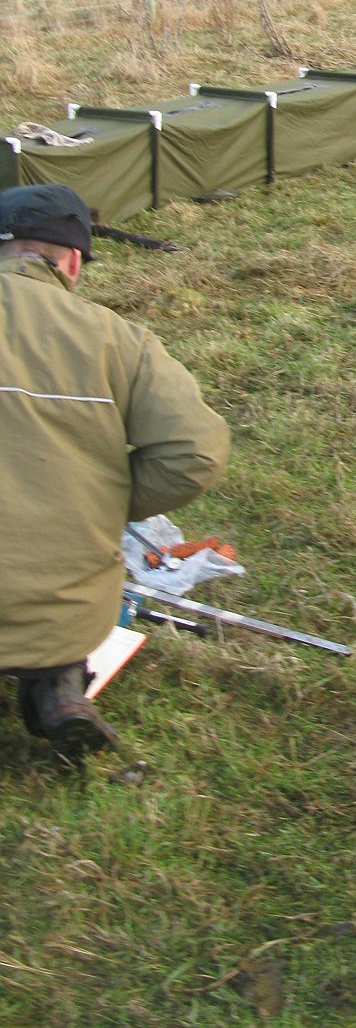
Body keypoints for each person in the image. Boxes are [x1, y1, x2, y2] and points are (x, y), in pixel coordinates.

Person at [0, 184, 230, 756]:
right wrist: (97, 503)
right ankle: (59, 689)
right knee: (57, 628)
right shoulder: (120, 339)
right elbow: (196, 453)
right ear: (73, 261)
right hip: (62, 613)